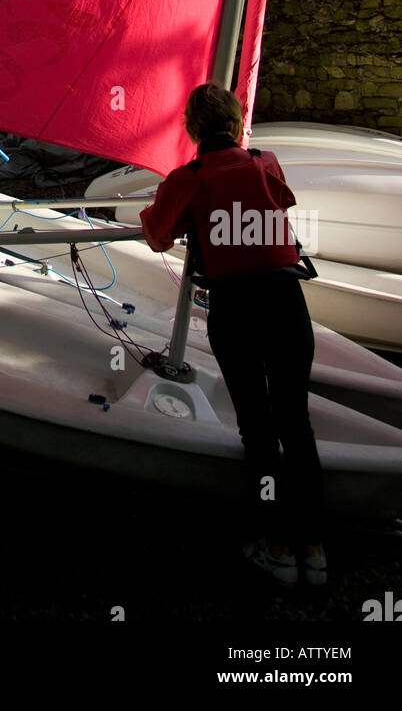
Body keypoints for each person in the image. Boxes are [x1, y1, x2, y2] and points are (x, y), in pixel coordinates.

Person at [139, 81, 327, 588]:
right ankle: (313, 548)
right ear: (237, 122)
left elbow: (156, 234)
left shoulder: (190, 177)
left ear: (192, 130)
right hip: (287, 303)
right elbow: (280, 202)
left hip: (237, 308)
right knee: (296, 423)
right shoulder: (266, 163)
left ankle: (277, 547)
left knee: (258, 428)